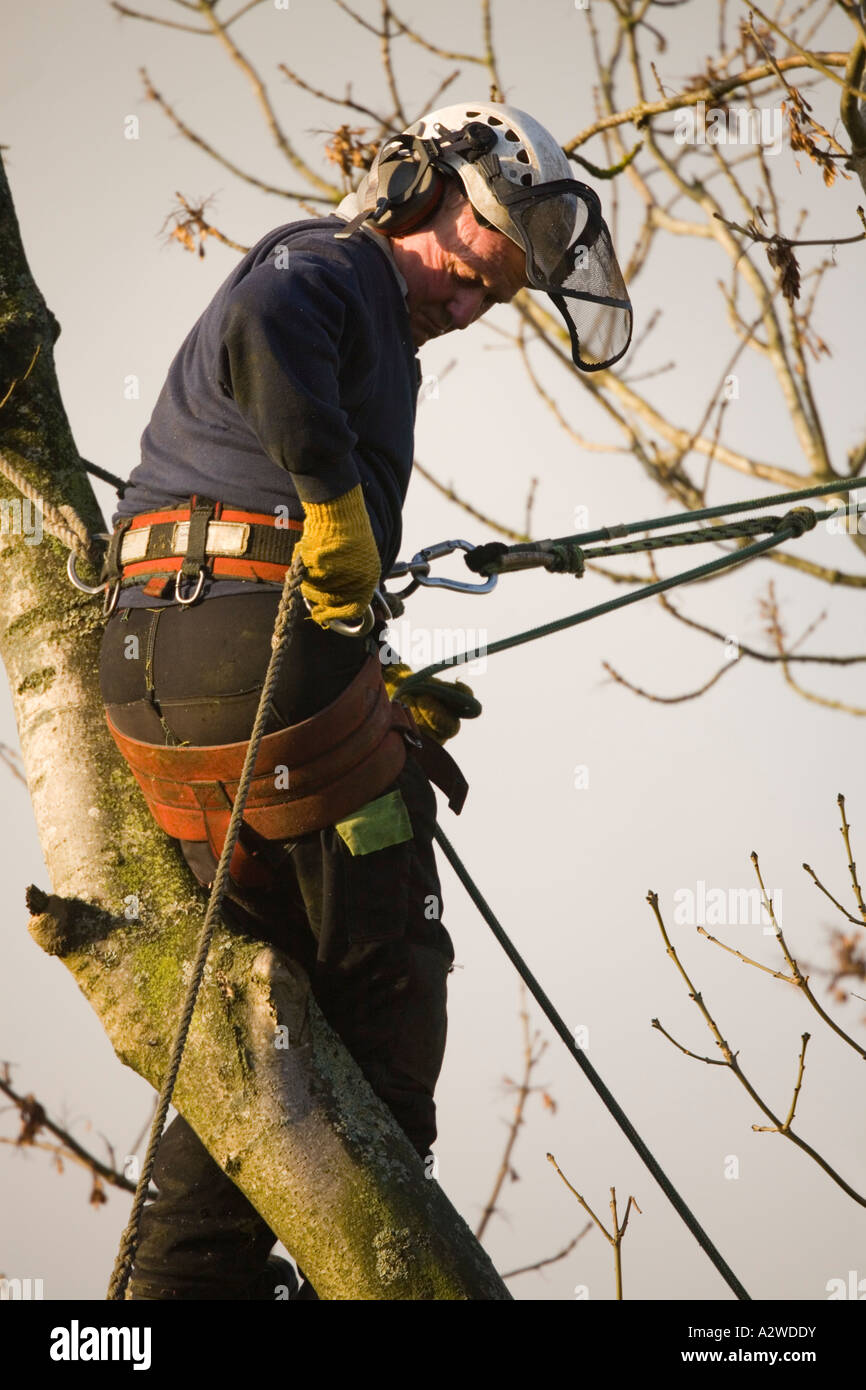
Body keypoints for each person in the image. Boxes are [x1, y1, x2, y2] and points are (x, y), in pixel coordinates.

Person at [96, 102, 632, 1300]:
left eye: (481, 302)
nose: (459, 306)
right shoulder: (326, 260)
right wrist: (333, 500)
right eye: (459, 267)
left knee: (256, 1016)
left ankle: (177, 1286)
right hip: (242, 648)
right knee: (388, 984)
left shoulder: (369, 316)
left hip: (158, 675)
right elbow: (259, 322)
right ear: (405, 193)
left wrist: (358, 685)